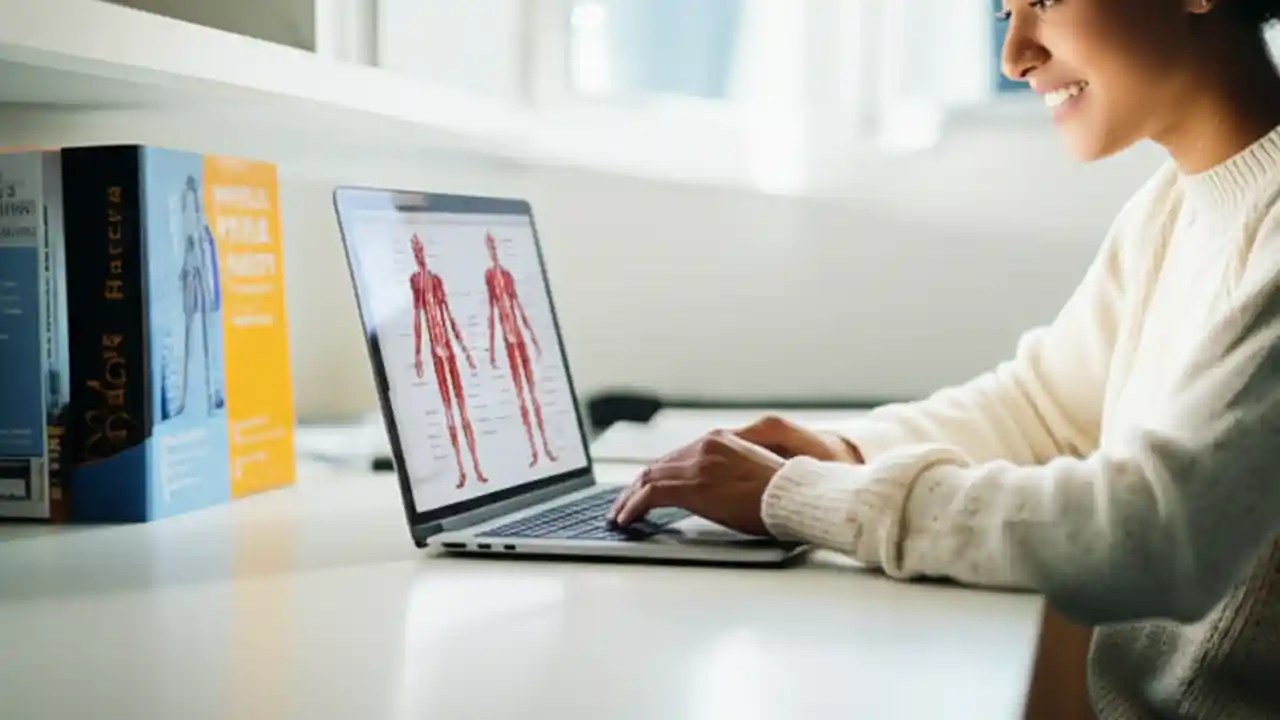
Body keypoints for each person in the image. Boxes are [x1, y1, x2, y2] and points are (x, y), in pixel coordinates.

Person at [608, 0, 1280, 717]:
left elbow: (1154, 534)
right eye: (1005, 11)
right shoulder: (1174, 205)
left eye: (1045, 3)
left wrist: (803, 497)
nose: (1014, 54)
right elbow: (1042, 408)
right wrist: (842, 450)